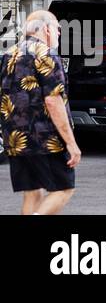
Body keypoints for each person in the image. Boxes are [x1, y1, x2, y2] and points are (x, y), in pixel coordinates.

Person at [2, 11, 81, 215]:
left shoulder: (10, 54)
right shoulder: (46, 54)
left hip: (15, 137)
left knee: (32, 192)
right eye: (57, 28)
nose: (59, 33)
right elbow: (53, 101)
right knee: (64, 189)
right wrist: (71, 144)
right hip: (44, 138)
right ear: (46, 29)